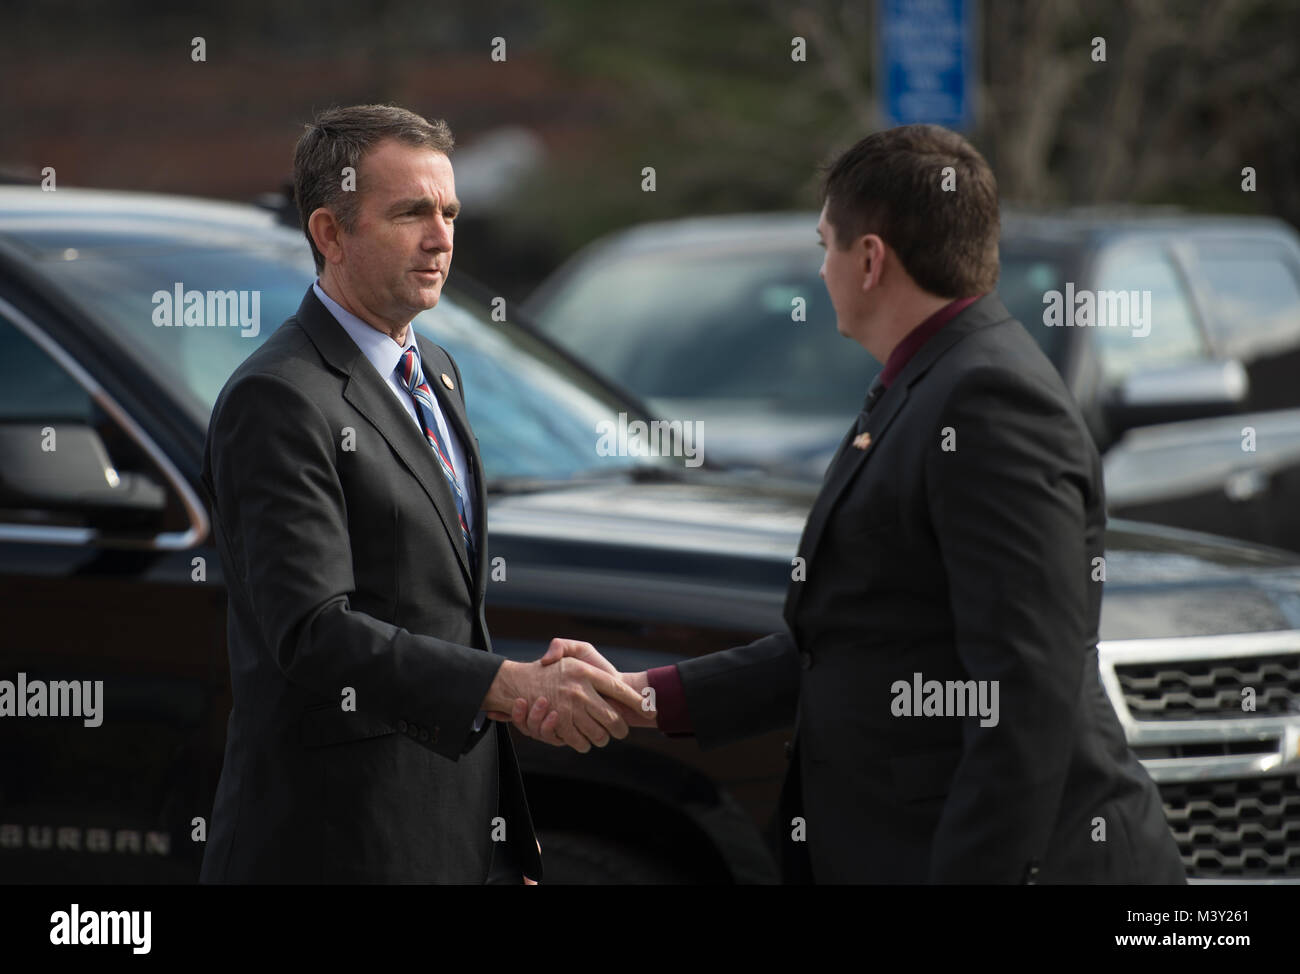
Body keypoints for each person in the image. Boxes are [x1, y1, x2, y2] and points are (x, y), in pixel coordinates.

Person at [514, 124, 1188, 884]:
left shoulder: (987, 401)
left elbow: (1024, 693)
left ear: (870, 260)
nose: (822, 269)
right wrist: (646, 696)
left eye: (826, 244)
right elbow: (854, 640)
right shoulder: (929, 381)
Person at [199, 104, 641, 884]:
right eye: (410, 213)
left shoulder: (435, 366)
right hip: (338, 840)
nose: (440, 237)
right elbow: (313, 633)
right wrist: (506, 685)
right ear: (329, 233)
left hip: (451, 823)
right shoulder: (279, 397)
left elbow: (437, 608)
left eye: (449, 213)